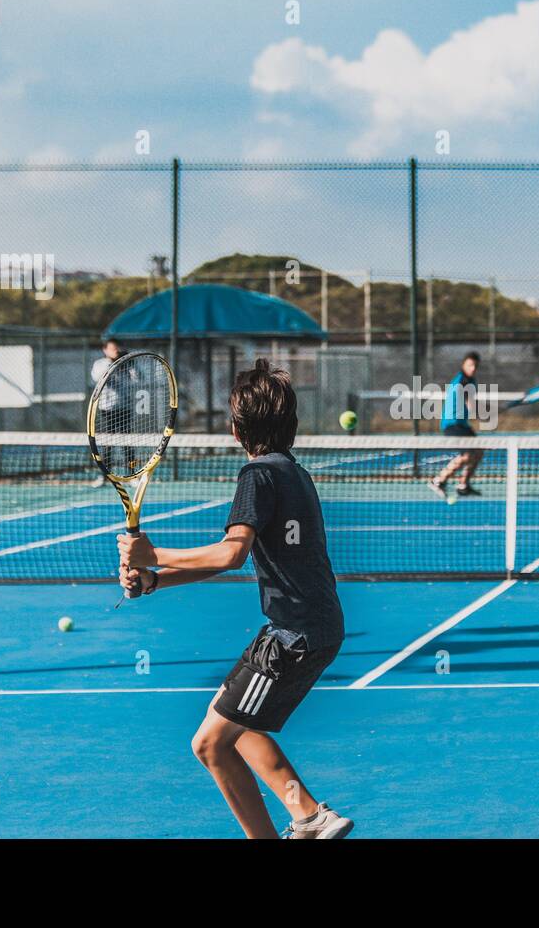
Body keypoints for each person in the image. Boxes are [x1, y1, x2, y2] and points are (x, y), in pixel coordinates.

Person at [116, 359, 353, 839]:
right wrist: (156, 579)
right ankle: (308, 815)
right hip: (315, 631)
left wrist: (153, 552)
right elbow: (235, 558)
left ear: (236, 428)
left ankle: (300, 823)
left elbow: (231, 553)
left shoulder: (256, 476)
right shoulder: (294, 474)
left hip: (292, 637)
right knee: (237, 725)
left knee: (210, 744)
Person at [428, 351, 484, 499]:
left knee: (478, 452)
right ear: (463, 365)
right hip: (452, 424)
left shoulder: (471, 380)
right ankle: (438, 480)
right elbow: (470, 404)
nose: (473, 368)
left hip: (462, 424)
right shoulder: (462, 381)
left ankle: (463, 485)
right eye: (470, 365)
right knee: (467, 455)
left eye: (475, 366)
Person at [90, 339, 127, 487]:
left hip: (125, 409)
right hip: (107, 410)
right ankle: (105, 475)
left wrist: (129, 365)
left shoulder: (127, 363)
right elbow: (98, 378)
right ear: (105, 350)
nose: (116, 351)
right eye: (113, 349)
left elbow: (138, 380)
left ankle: (131, 474)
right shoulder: (100, 364)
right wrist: (113, 364)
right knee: (107, 445)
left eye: (117, 348)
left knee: (128, 444)